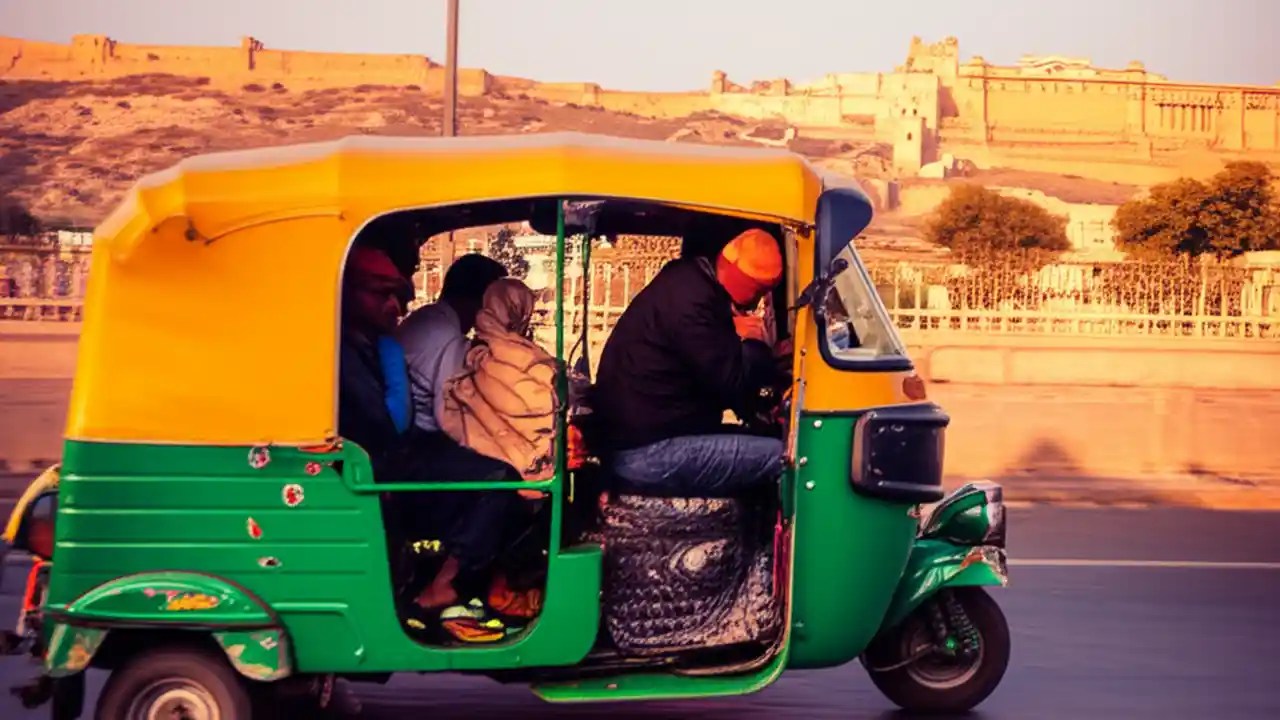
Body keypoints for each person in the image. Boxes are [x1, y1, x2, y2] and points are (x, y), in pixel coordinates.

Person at [396, 253, 532, 642]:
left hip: (412, 445)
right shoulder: (445, 336)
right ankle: (448, 581)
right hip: (413, 451)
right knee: (502, 478)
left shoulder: (432, 321)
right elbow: (454, 416)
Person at [594, 228, 788, 497]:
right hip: (646, 452)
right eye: (758, 296)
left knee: (762, 440)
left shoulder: (688, 283)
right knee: (785, 456)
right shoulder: (694, 306)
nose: (757, 306)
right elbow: (734, 384)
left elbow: (718, 375)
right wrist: (755, 341)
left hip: (648, 436)